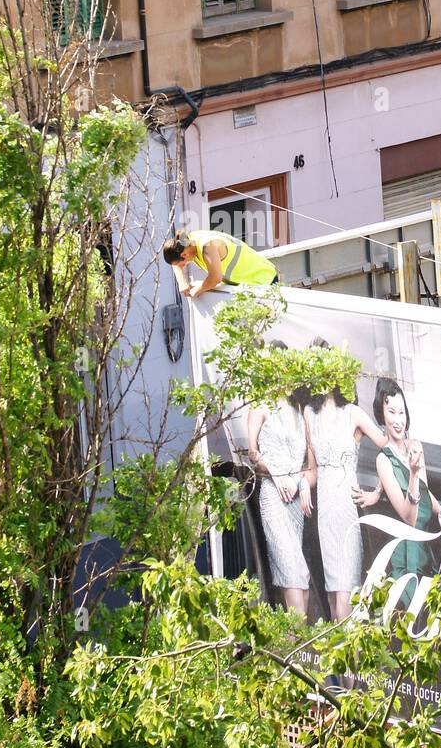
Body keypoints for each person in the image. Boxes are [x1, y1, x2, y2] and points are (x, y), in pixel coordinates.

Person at [354, 378, 441, 605]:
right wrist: (413, 474)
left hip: (427, 544)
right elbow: (408, 517)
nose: (398, 420)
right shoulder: (383, 460)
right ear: (382, 416)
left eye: (402, 412)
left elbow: (426, 493)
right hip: (407, 553)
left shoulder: (415, 446)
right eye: (392, 412)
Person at [303, 352, 388, 622]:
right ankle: (337, 657)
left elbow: (390, 449)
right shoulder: (309, 414)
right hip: (325, 509)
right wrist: (304, 484)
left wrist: (377, 492)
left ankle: (350, 661)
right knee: (331, 591)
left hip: (347, 506)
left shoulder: (352, 413)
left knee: (346, 589)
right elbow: (312, 469)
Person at [247, 344, 316, 617]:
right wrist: (277, 475)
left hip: (295, 503)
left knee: (303, 581)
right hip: (274, 498)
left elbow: (309, 468)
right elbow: (253, 455)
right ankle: (294, 654)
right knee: (291, 578)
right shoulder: (259, 407)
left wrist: (298, 481)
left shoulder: (300, 412)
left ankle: (291, 647)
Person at [163, 228, 278, 299]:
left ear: (184, 255)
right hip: (249, 286)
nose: (182, 267)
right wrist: (182, 282)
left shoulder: (207, 247)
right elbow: (175, 264)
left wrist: (196, 291)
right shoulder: (188, 241)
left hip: (264, 281)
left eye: (181, 264)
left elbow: (215, 278)